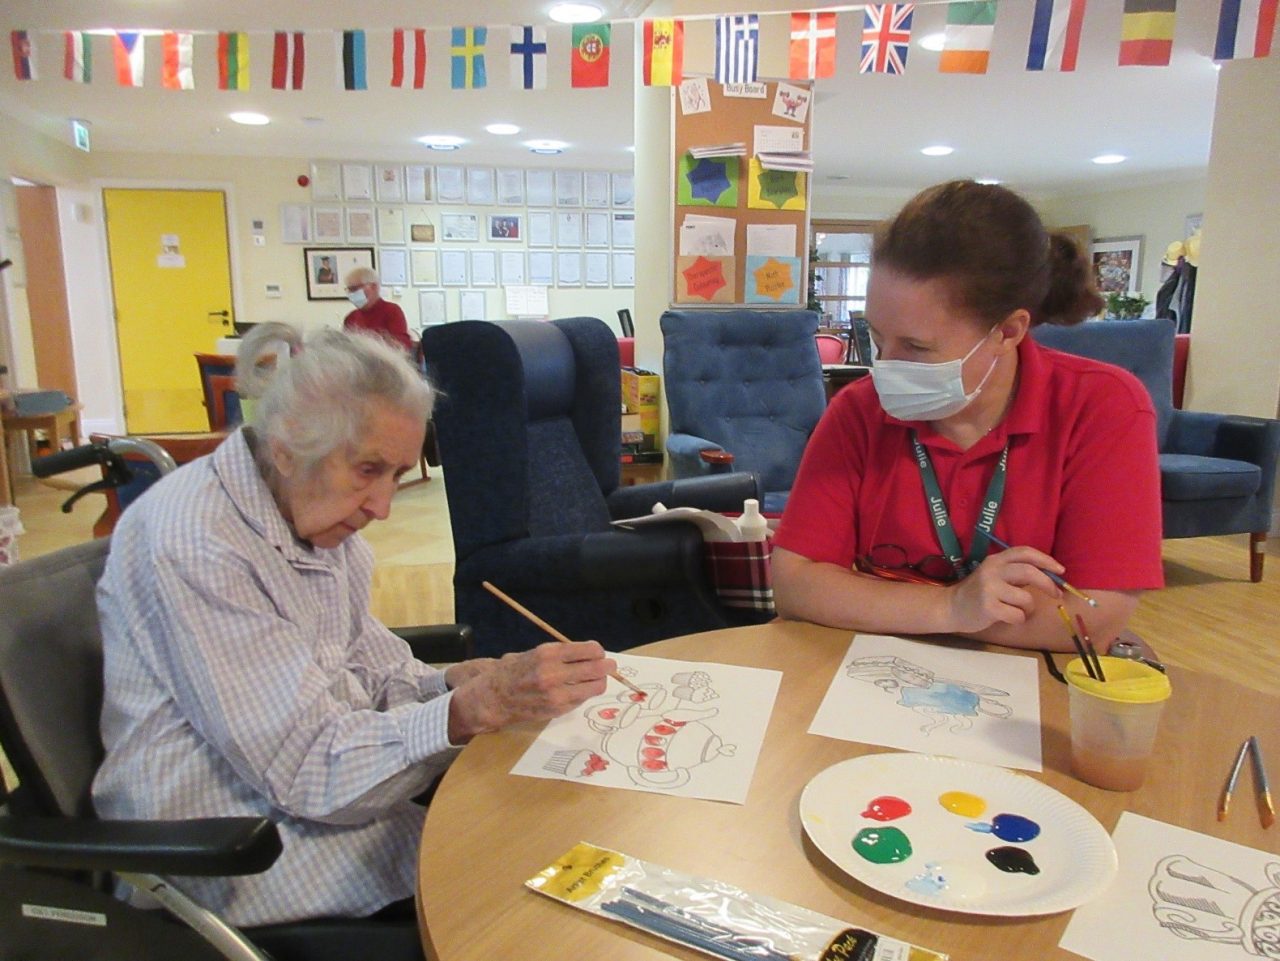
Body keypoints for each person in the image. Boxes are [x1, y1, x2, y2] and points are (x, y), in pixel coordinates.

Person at [93, 326, 616, 928]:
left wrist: (453, 684)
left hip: (314, 799)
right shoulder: (198, 545)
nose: (383, 506)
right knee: (522, 894)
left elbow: (372, 670)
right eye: (368, 469)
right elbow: (309, 773)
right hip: (225, 844)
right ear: (287, 445)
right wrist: (473, 709)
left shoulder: (307, 510)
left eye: (397, 474)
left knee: (547, 832)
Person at [772, 180, 1163, 653]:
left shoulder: (1103, 406)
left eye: (917, 347)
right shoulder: (858, 411)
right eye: (876, 337)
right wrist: (952, 607)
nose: (886, 366)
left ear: (1008, 331)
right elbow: (795, 584)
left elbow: (1093, 619)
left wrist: (875, 602)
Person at [343, 266, 414, 353]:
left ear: (374, 287)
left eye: (355, 289)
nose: (351, 294)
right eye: (349, 290)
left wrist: (390, 342)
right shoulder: (351, 317)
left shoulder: (392, 311)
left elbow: (403, 347)